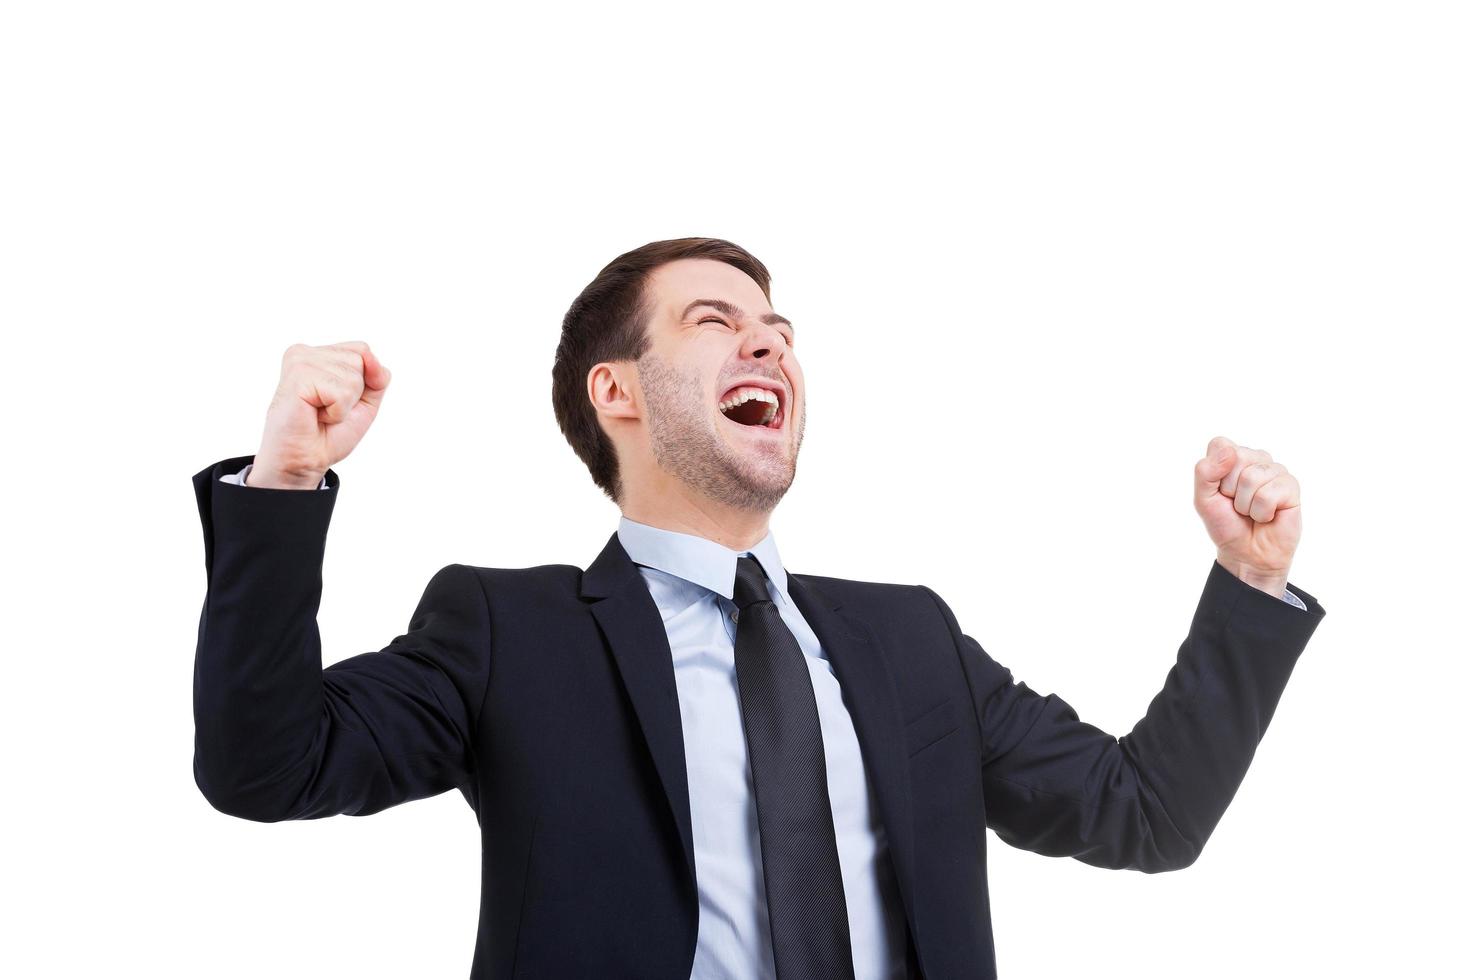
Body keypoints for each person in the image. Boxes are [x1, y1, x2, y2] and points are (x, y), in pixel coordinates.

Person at [190, 237, 1326, 980]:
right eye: (714, 319)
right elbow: (265, 764)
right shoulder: (506, 631)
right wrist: (285, 480)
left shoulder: (909, 638)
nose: (769, 339)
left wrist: (1252, 582)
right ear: (616, 391)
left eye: (779, 327)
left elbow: (1146, 811)